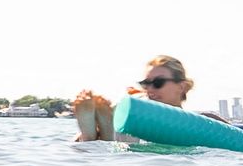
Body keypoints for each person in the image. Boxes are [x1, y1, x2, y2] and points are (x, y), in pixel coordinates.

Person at [71, 54, 217, 141]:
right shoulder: (133, 117)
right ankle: (95, 134)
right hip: (141, 141)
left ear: (182, 86)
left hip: (134, 151)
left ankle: (98, 136)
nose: (150, 89)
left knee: (114, 136)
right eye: (145, 84)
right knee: (117, 129)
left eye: (158, 83)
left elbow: (237, 137)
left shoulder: (202, 119)